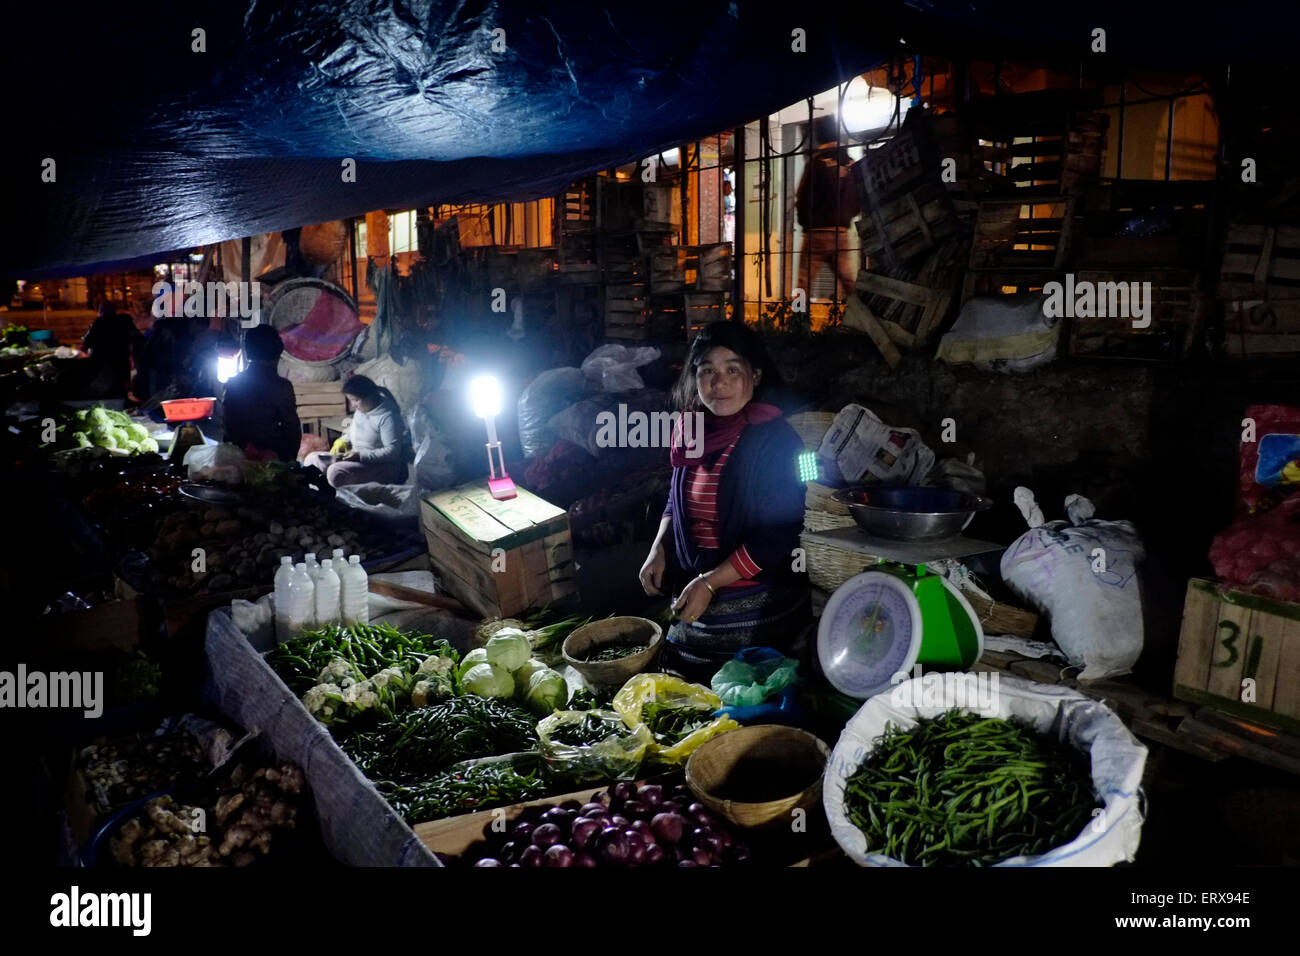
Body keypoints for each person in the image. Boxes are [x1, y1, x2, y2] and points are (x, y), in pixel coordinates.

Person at [638, 321, 810, 684]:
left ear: (756, 375)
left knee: (705, 681)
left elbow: (778, 536)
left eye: (733, 369)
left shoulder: (775, 441)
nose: (720, 383)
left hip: (759, 591)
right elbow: (676, 497)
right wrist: (658, 549)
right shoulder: (692, 430)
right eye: (707, 371)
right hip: (698, 581)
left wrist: (711, 583)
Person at [795, 115, 861, 301]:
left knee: (803, 282)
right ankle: (864, 317)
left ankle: (797, 320)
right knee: (848, 281)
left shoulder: (816, 163)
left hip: (816, 232)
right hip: (840, 232)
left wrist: (805, 222)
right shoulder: (851, 163)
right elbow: (859, 197)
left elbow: (803, 196)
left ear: (819, 137)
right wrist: (845, 217)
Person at [221, 325, 301, 461]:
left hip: (237, 456)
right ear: (278, 352)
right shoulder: (281, 386)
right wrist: (290, 462)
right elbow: (292, 429)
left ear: (247, 352)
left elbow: (227, 425)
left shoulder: (233, 384)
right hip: (272, 459)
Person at [318, 374, 412, 488]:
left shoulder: (388, 417)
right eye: (351, 400)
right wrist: (342, 441)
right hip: (358, 457)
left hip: (383, 467)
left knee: (335, 472)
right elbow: (354, 430)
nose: (353, 405)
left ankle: (331, 495)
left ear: (370, 396)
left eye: (356, 400)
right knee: (314, 459)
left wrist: (361, 456)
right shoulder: (363, 409)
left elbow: (392, 452)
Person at [81, 301, 143, 399]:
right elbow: (138, 338)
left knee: (105, 392)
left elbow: (86, 343)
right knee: (121, 389)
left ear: (100, 311)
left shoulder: (98, 323)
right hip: (121, 362)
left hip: (102, 364)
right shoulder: (124, 321)